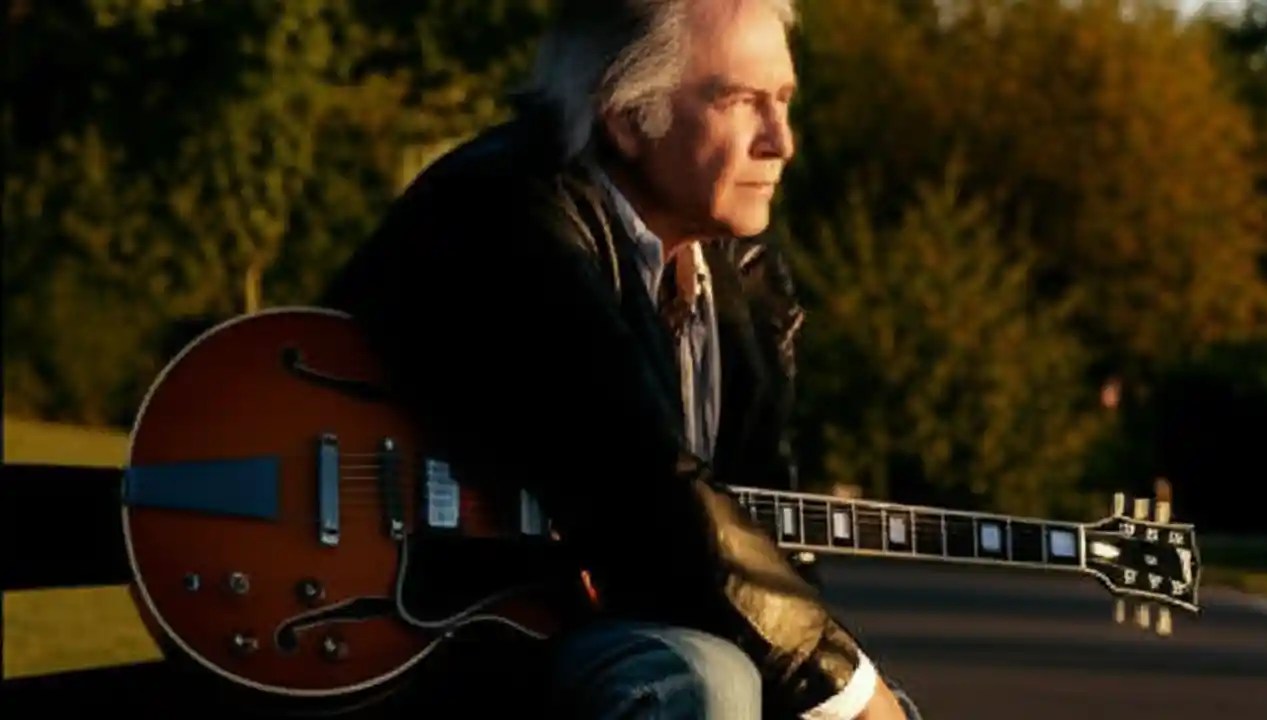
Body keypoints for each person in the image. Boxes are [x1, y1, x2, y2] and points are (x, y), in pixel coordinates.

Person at [321, 0, 921, 717]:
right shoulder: (511, 217)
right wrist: (847, 689)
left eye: (784, 100)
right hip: (427, 623)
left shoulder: (746, 279)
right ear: (630, 117)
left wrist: (840, 687)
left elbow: (756, 542)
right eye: (740, 101)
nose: (782, 141)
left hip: (586, 620)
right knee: (709, 681)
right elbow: (643, 489)